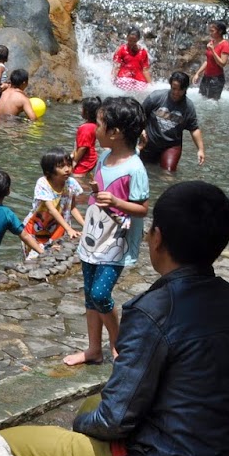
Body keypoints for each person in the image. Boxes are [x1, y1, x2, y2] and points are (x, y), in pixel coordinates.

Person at [2, 182, 229, 456]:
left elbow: (114, 419)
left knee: (5, 441)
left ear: (156, 238)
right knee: (93, 404)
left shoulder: (153, 311)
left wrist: (81, 428)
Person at [65, 96, 150, 367]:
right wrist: (92, 193)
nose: (95, 129)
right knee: (90, 295)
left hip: (116, 241)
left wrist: (115, 202)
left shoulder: (135, 168)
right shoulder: (104, 157)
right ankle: (94, 349)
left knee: (101, 294)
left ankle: (117, 344)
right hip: (94, 234)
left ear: (115, 132)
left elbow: (142, 209)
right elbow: (101, 192)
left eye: (99, 125)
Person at [139, 72, 205, 172]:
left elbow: (194, 129)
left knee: (168, 173)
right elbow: (140, 114)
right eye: (174, 88)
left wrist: (200, 149)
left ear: (185, 89)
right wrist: (141, 130)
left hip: (171, 146)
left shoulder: (188, 107)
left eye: (180, 90)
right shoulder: (156, 97)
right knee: (143, 170)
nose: (176, 92)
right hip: (149, 142)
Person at [25, 151, 85, 257]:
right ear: (49, 170)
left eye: (69, 165)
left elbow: (72, 208)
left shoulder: (71, 183)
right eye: (61, 166)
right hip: (37, 228)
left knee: (55, 254)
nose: (67, 169)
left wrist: (86, 226)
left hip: (58, 228)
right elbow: (52, 210)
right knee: (33, 258)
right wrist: (69, 229)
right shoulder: (43, 183)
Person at [193, 22, 229, 100]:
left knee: (212, 103)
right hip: (206, 77)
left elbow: (222, 63)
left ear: (220, 31)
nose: (210, 33)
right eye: (209, 31)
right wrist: (197, 73)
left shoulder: (225, 45)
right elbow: (207, 61)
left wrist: (213, 51)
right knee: (201, 99)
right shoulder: (211, 43)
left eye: (212, 31)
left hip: (216, 79)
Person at [71, 98, 100, 177]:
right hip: (90, 158)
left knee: (77, 178)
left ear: (86, 111)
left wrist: (75, 161)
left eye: (82, 108)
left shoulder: (86, 128)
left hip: (85, 160)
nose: (81, 110)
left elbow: (83, 147)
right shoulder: (93, 125)